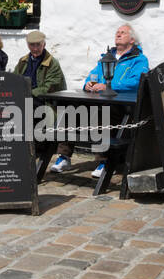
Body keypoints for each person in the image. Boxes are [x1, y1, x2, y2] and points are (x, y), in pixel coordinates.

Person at [50, 24, 149, 177]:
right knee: (71, 110)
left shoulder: (139, 60)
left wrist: (109, 86)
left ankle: (104, 161)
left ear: (132, 40)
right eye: (117, 32)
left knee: (102, 115)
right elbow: (93, 75)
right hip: (98, 101)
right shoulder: (106, 57)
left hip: (123, 106)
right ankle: (64, 157)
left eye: (122, 32)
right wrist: (89, 84)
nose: (118, 34)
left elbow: (137, 81)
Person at [12, 30, 65, 97]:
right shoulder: (23, 61)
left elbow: (50, 88)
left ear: (44, 45)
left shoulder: (52, 63)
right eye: (32, 45)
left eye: (38, 45)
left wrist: (27, 93)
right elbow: (14, 79)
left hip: (44, 100)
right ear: (28, 45)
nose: (35, 49)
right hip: (24, 98)